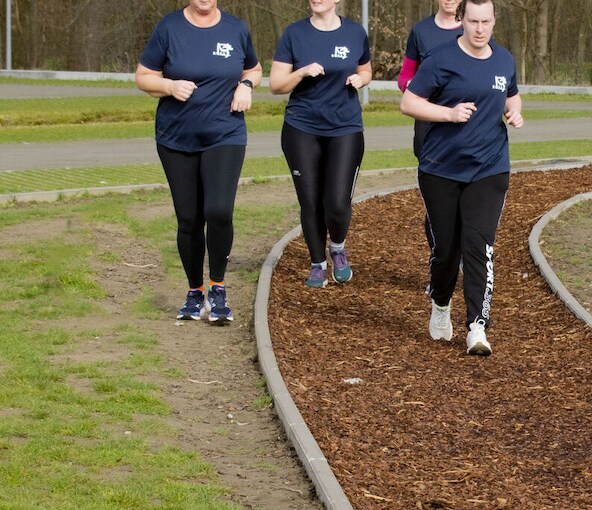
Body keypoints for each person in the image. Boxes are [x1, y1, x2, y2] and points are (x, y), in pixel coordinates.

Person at [400, 0, 522, 356]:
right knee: (446, 250)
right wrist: (449, 114)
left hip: (490, 167)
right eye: (473, 21)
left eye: (486, 21)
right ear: (461, 21)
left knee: (479, 246)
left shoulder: (504, 60)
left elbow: (511, 95)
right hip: (441, 168)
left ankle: (477, 326)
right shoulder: (440, 59)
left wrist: (514, 111)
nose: (480, 29)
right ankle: (440, 304)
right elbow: (409, 103)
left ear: (494, 20)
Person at [136, 0, 261, 324]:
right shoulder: (169, 28)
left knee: (218, 211)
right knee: (189, 219)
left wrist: (246, 85)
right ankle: (195, 291)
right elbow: (143, 76)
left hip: (225, 134)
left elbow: (254, 68)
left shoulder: (236, 28)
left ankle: (218, 288)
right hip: (176, 139)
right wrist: (168, 85)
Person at [270, 0, 372, 288]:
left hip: (345, 128)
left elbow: (367, 70)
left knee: (337, 203)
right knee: (310, 200)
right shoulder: (294, 33)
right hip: (301, 128)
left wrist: (360, 79)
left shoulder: (355, 33)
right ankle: (317, 264)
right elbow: (276, 85)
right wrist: (301, 72)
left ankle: (338, 247)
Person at [397, 0, 464, 158]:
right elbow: (405, 76)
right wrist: (408, 85)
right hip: (427, 120)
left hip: (464, 119)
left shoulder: (473, 30)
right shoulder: (420, 31)